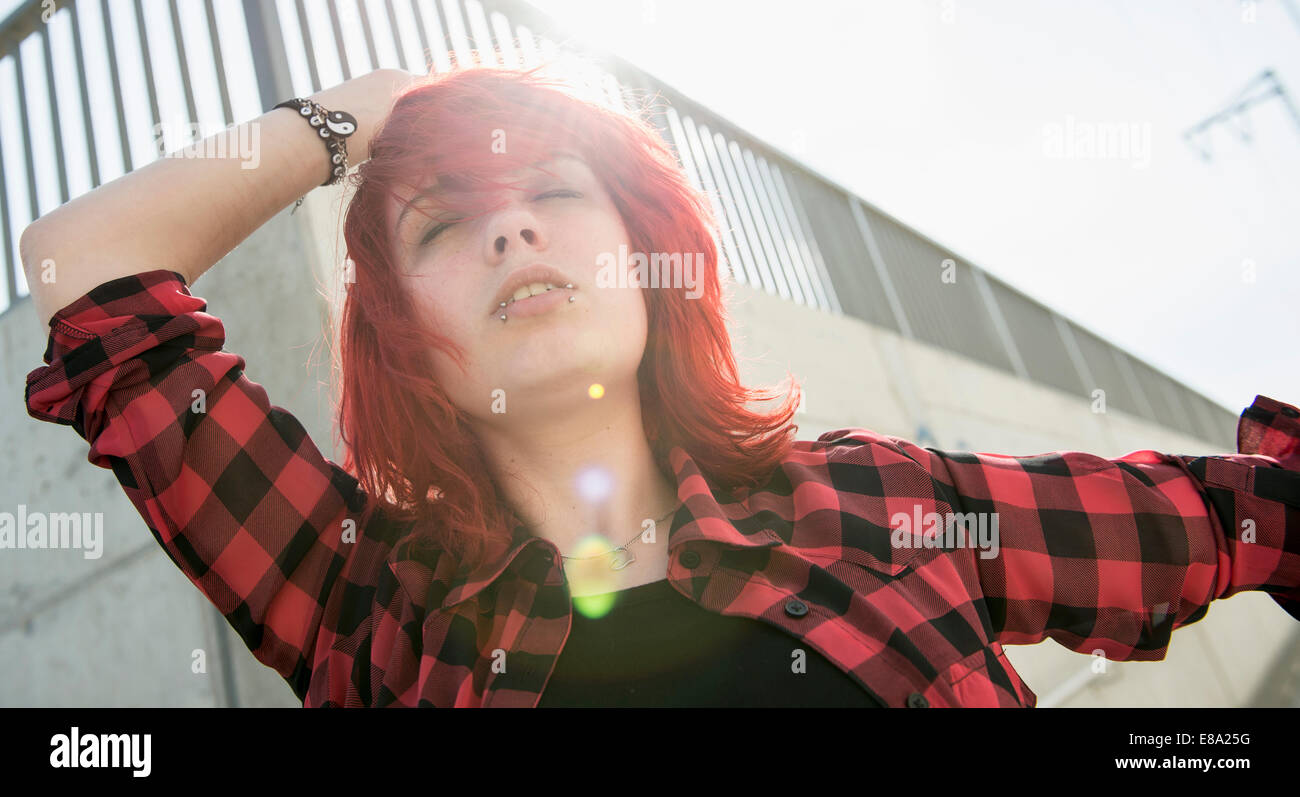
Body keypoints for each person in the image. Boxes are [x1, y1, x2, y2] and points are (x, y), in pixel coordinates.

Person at [22, 60, 1300, 707]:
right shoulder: (366, 605)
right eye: (443, 226)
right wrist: (354, 120)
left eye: (553, 195)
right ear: (404, 337)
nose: (512, 235)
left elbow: (1241, 515)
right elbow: (87, 263)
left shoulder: (870, 506)